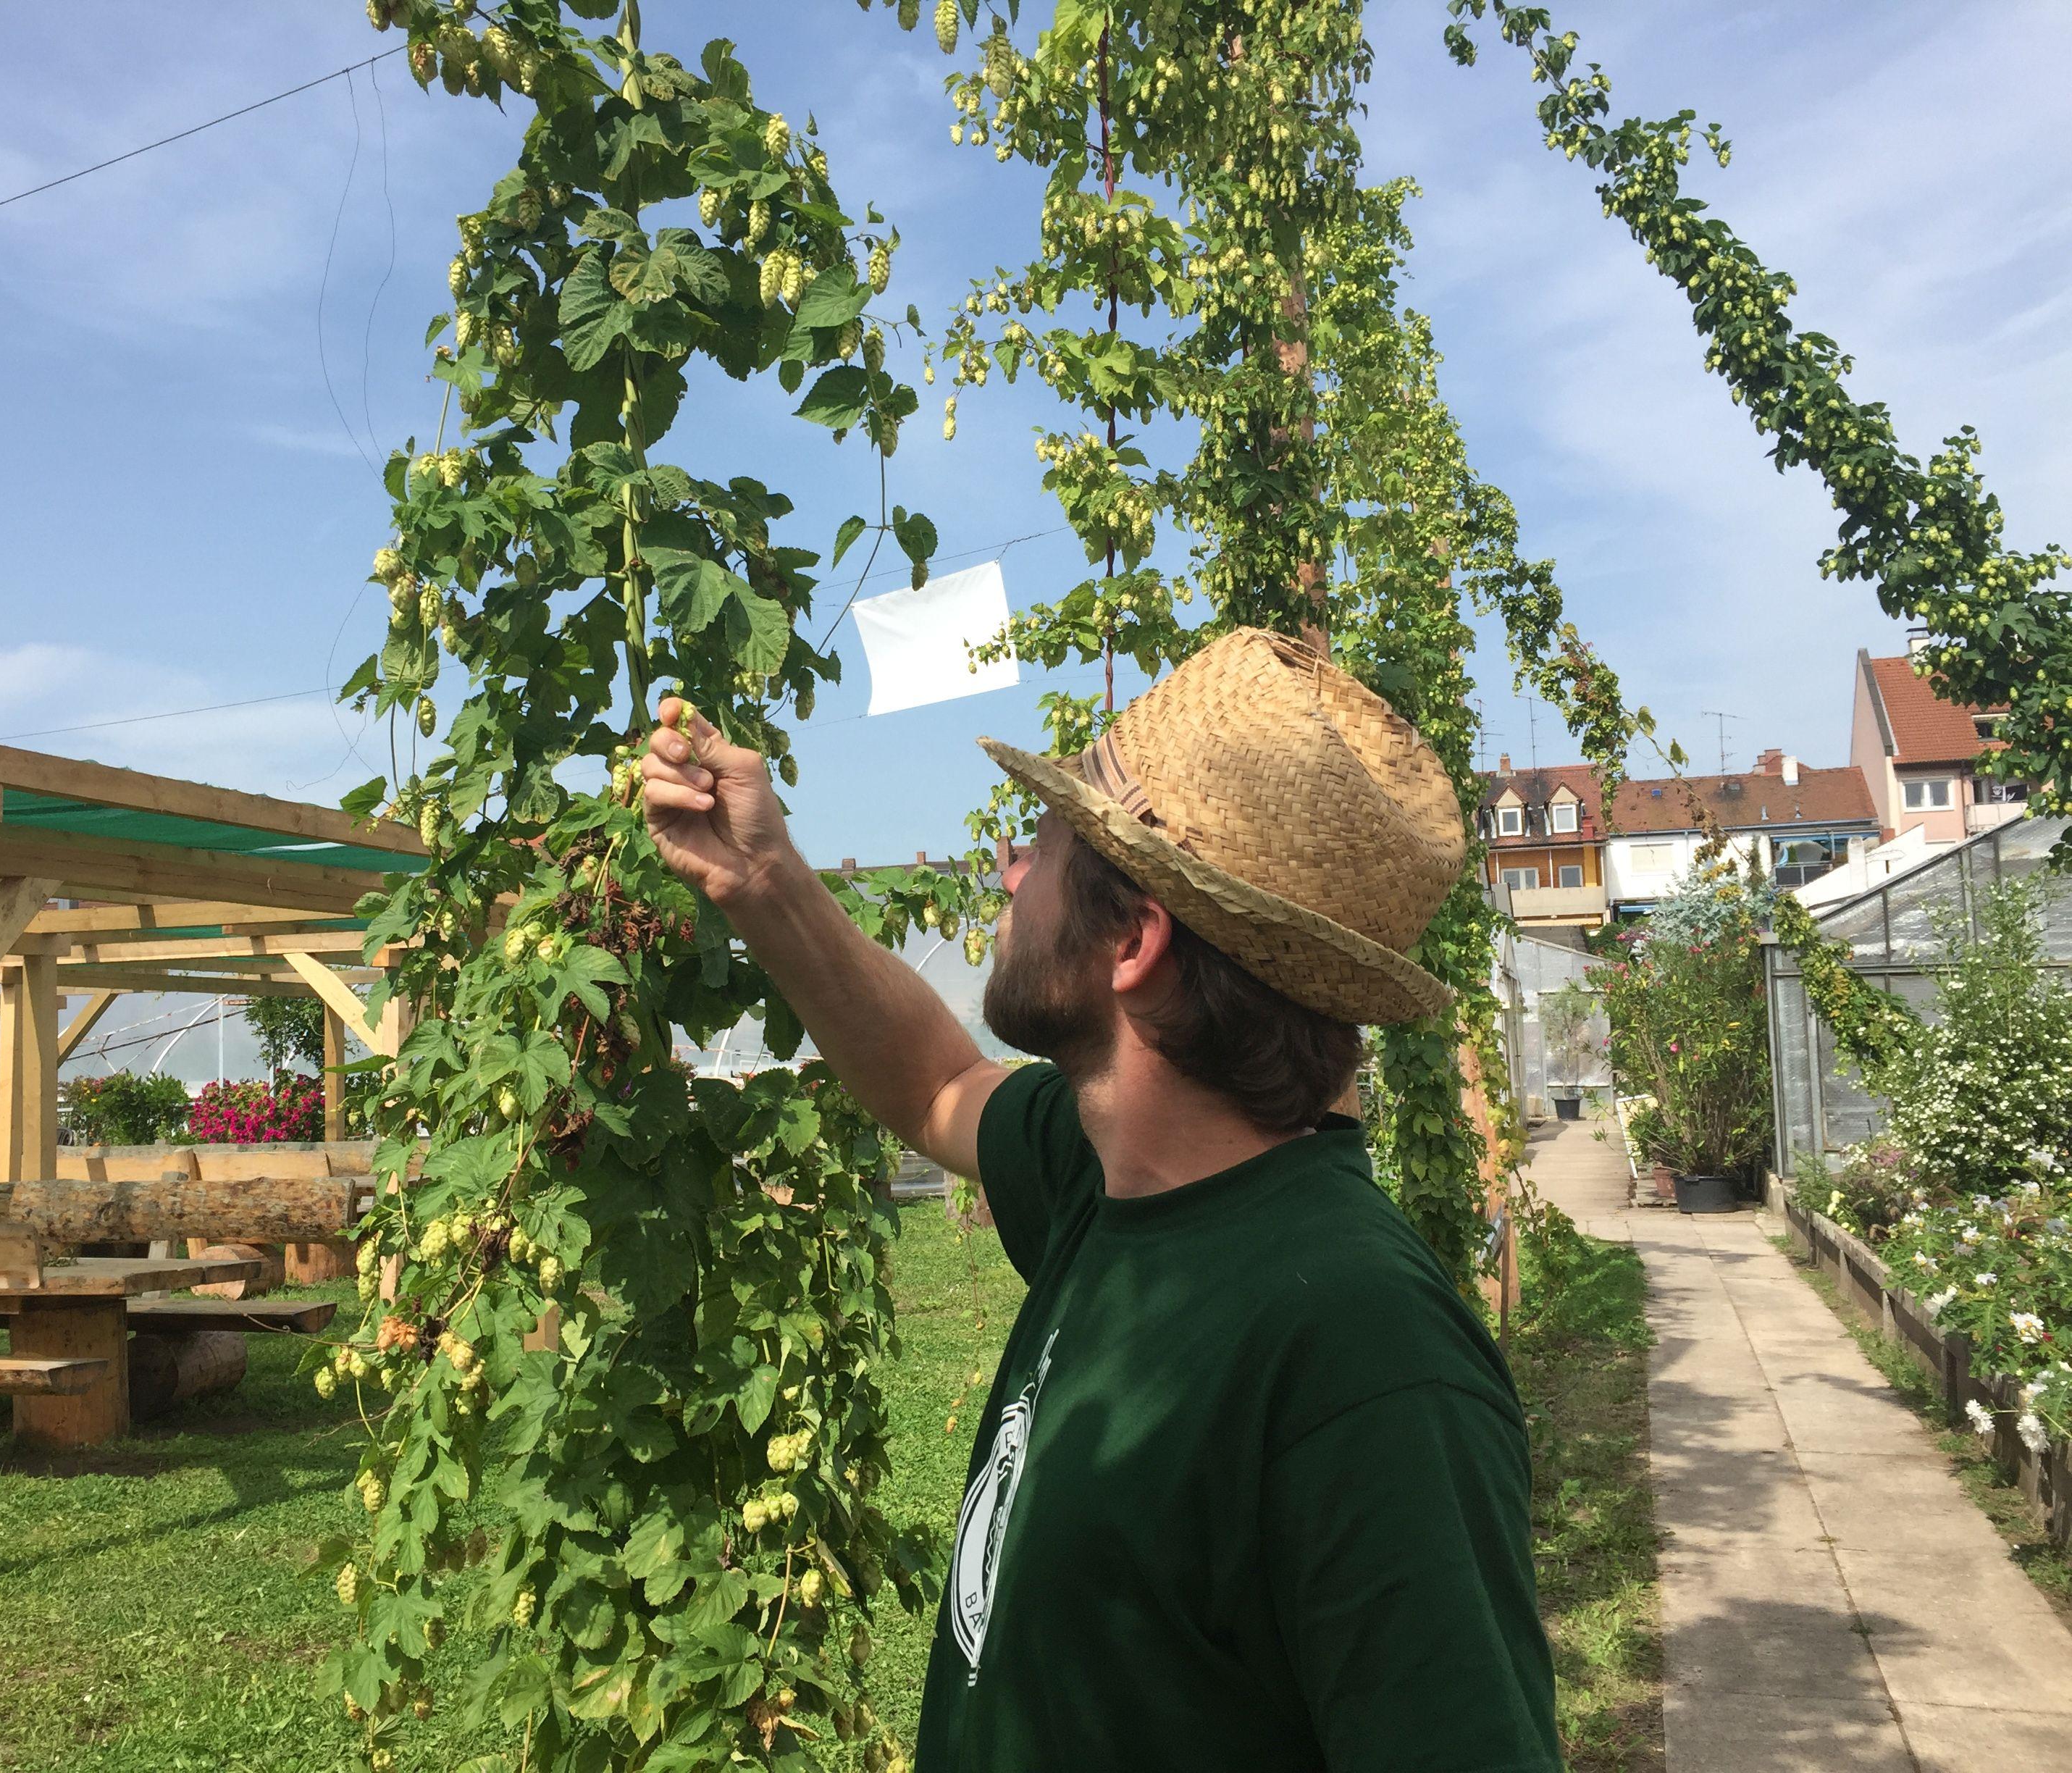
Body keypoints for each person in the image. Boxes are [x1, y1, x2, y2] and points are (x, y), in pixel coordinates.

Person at [640, 628, 1561, 1772]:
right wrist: (762, 878)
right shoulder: (1107, 1175)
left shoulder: (1364, 1352)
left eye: (1043, 847)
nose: (1012, 875)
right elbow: (937, 1082)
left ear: (1132, 937)